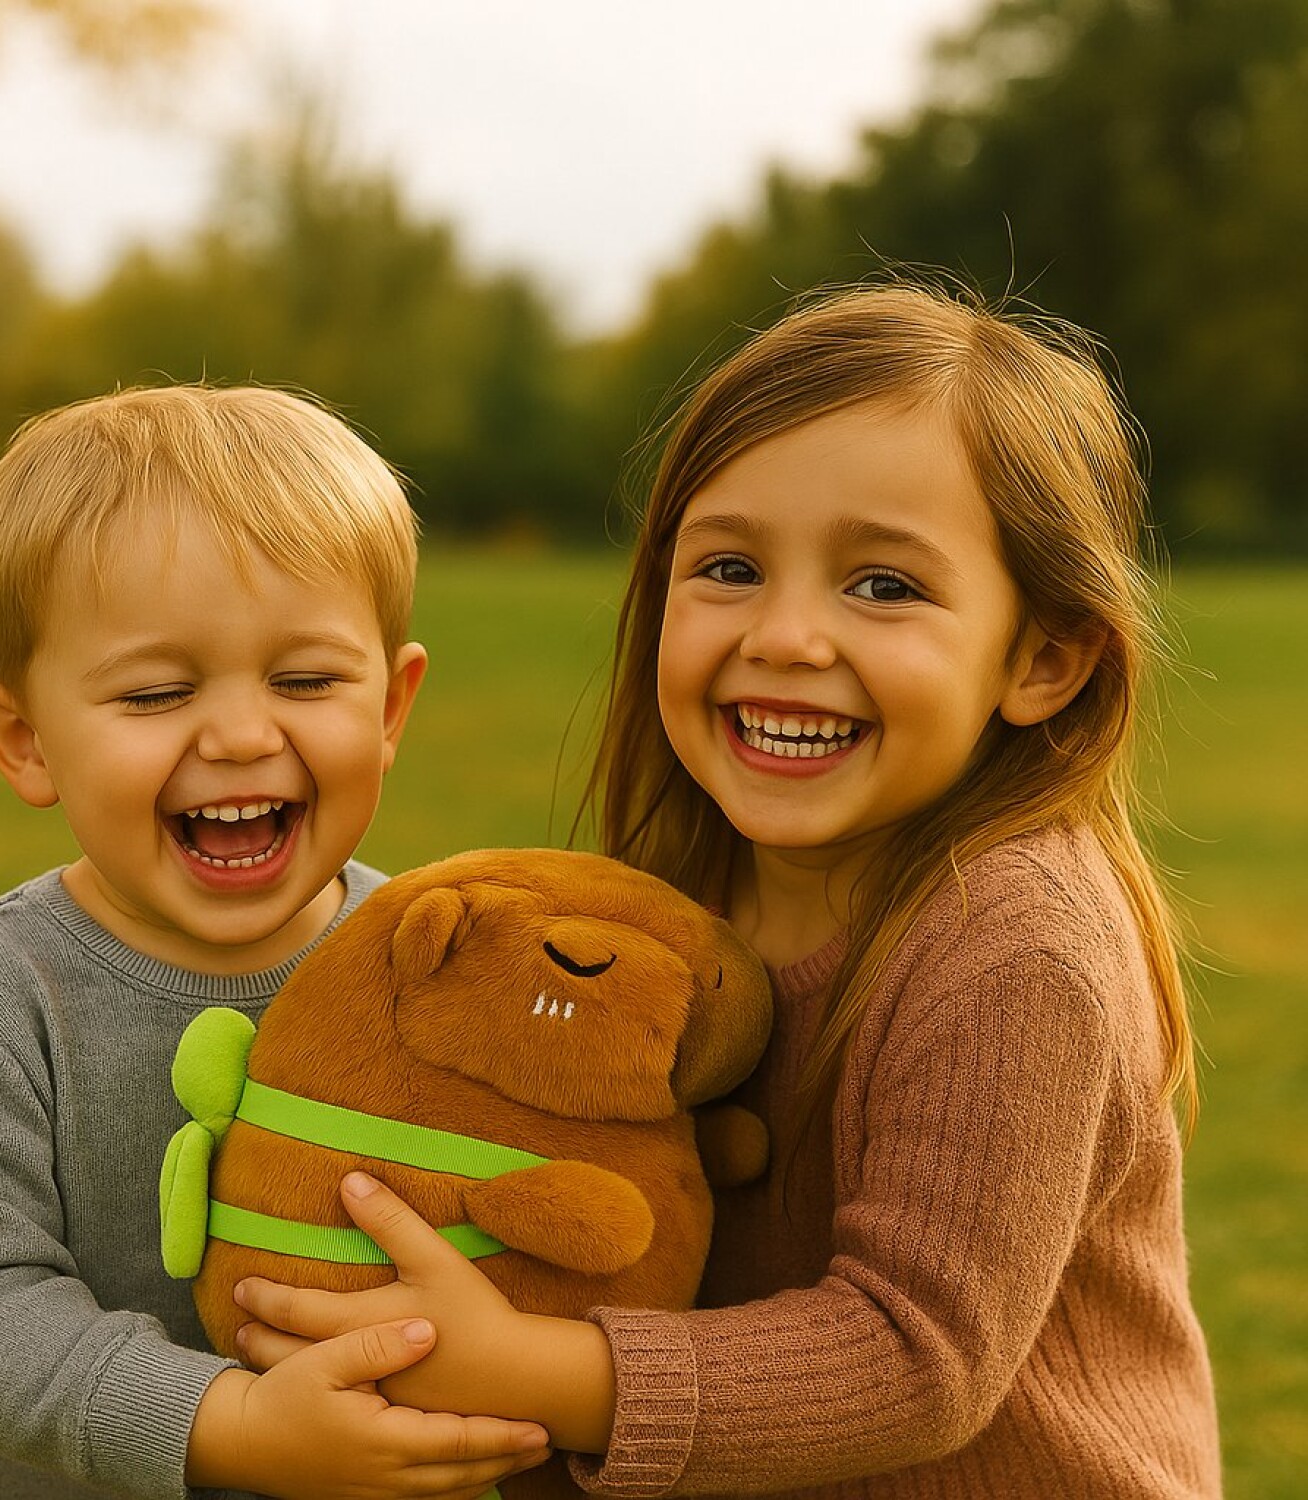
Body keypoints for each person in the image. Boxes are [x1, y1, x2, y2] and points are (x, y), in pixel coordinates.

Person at [231, 282, 1222, 1497]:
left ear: (1043, 658)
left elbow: (920, 1359)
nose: (788, 636)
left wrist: (526, 1368)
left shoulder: (1014, 946)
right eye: (732, 566)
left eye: (884, 586)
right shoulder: (674, 906)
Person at [0, 384, 551, 1499]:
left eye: (307, 680)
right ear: (25, 740)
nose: (240, 734)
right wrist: (224, 1421)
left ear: (390, 710)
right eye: (155, 692)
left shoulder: (435, 966)